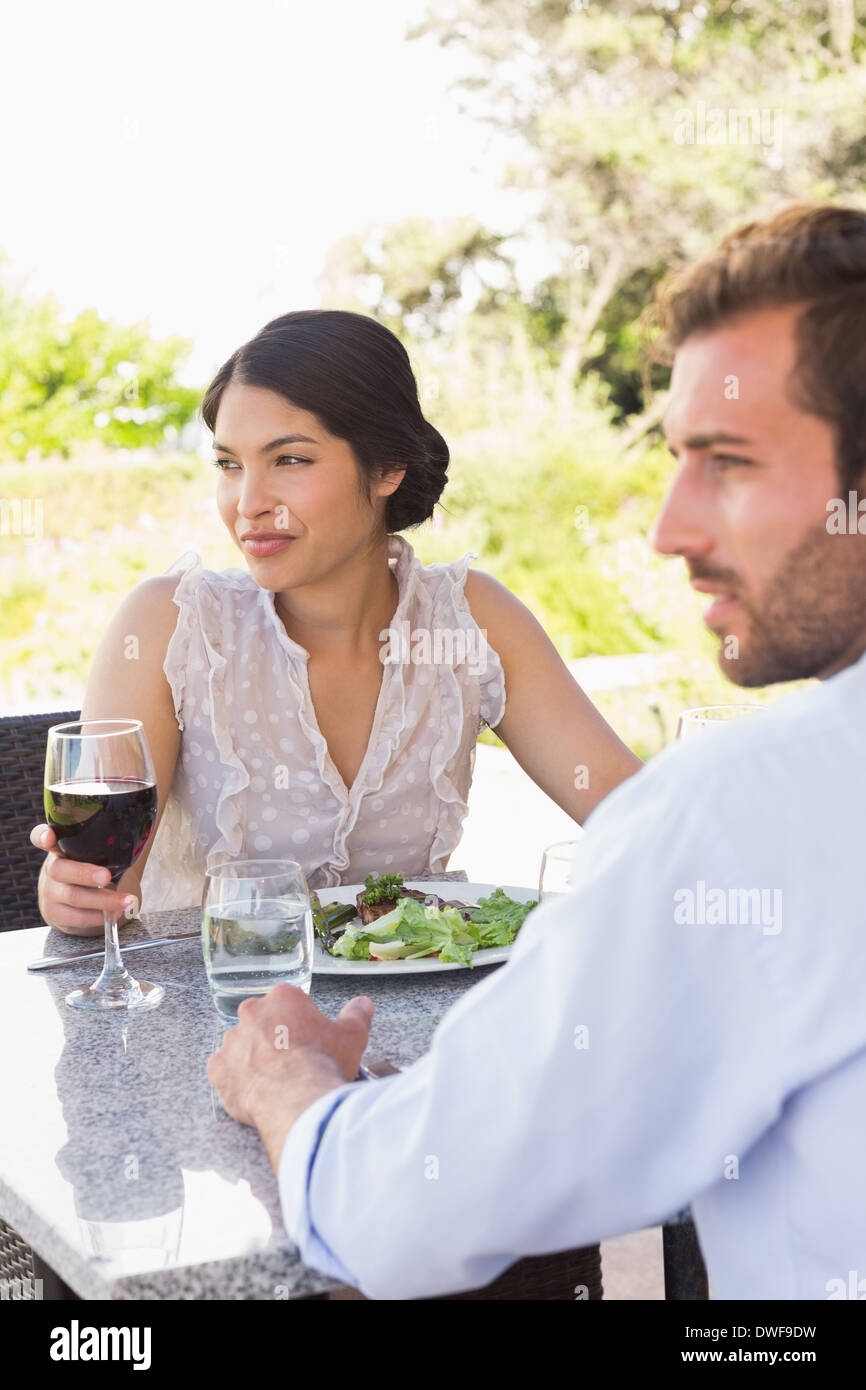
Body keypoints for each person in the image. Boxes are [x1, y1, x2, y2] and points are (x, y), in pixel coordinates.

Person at [208, 202, 866, 1300]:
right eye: (229, 462)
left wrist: (289, 1090)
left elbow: (404, 1214)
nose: (665, 529)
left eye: (728, 461)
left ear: (382, 471)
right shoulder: (184, 622)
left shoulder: (752, 811)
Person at [31, 309, 641, 934]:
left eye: (289, 460)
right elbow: (103, 902)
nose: (248, 503)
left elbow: (645, 821)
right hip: (215, 1014)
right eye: (228, 464)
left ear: (387, 468)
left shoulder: (470, 623)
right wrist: (73, 896)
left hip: (413, 1016)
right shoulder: (171, 627)